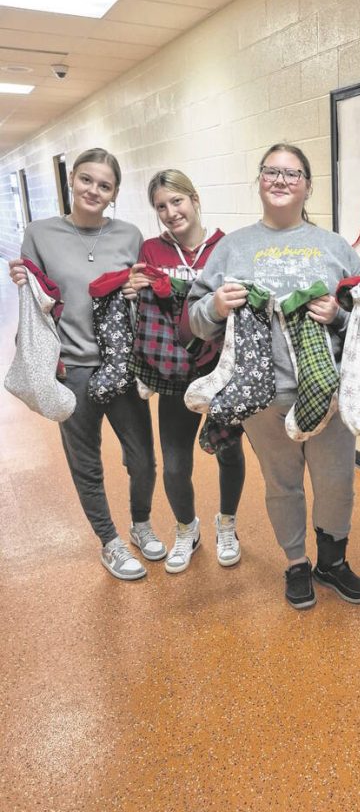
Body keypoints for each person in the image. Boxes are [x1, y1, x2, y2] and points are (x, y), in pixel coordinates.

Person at [187, 143, 360, 609]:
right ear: (260, 180)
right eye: (272, 171)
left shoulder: (335, 247)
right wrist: (214, 306)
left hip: (325, 394)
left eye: (293, 173)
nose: (281, 180)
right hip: (262, 395)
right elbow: (194, 320)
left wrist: (339, 316)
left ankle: (332, 561)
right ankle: (296, 563)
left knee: (337, 483)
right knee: (282, 483)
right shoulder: (232, 247)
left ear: (308, 184)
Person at [8, 148, 160, 581]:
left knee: (142, 458)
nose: (94, 190)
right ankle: (109, 541)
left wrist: (138, 292)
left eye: (105, 185)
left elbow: (142, 293)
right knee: (85, 460)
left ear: (115, 193)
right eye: (87, 180)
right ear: (72, 180)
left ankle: (141, 523)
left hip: (120, 366)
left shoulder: (130, 235)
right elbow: (36, 297)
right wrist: (21, 279)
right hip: (69, 367)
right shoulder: (40, 233)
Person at [126, 170, 246, 574]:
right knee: (176, 463)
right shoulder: (152, 249)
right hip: (175, 373)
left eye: (176, 201)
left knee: (229, 451)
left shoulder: (226, 245)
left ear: (194, 199)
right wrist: (132, 287)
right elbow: (139, 303)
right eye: (161, 206)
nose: (170, 212)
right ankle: (186, 529)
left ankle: (226, 525)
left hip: (222, 369)